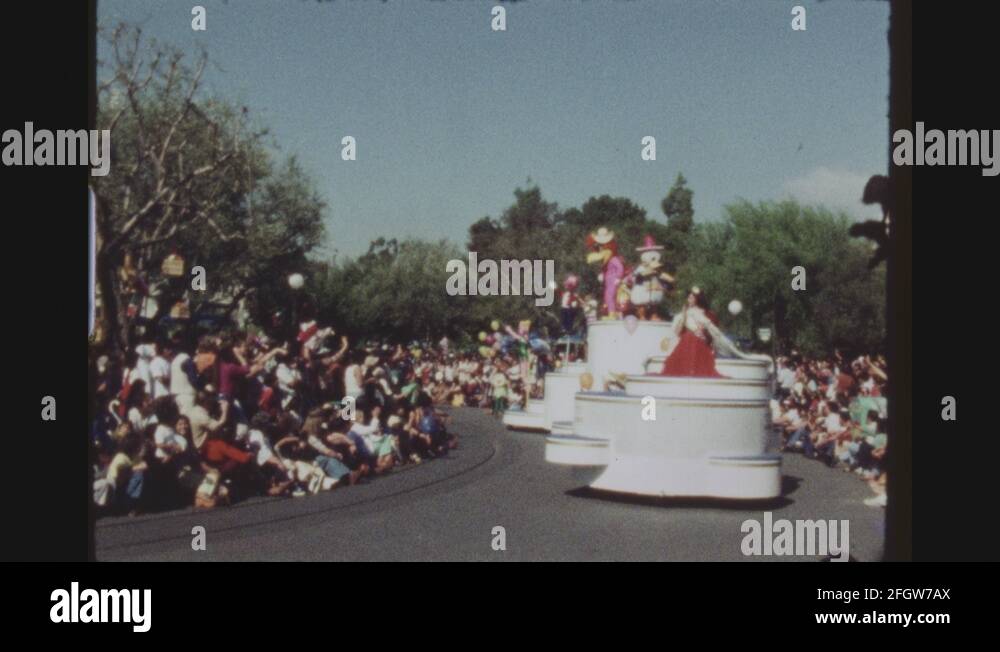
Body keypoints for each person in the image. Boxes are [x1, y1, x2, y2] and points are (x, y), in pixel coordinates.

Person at [660, 287, 724, 378]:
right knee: (688, 338)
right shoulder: (683, 313)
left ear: (697, 299)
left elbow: (711, 331)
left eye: (692, 297)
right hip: (687, 340)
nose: (689, 299)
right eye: (689, 297)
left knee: (693, 340)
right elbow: (677, 331)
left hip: (700, 341)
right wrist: (684, 315)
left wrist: (702, 332)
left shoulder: (706, 313)